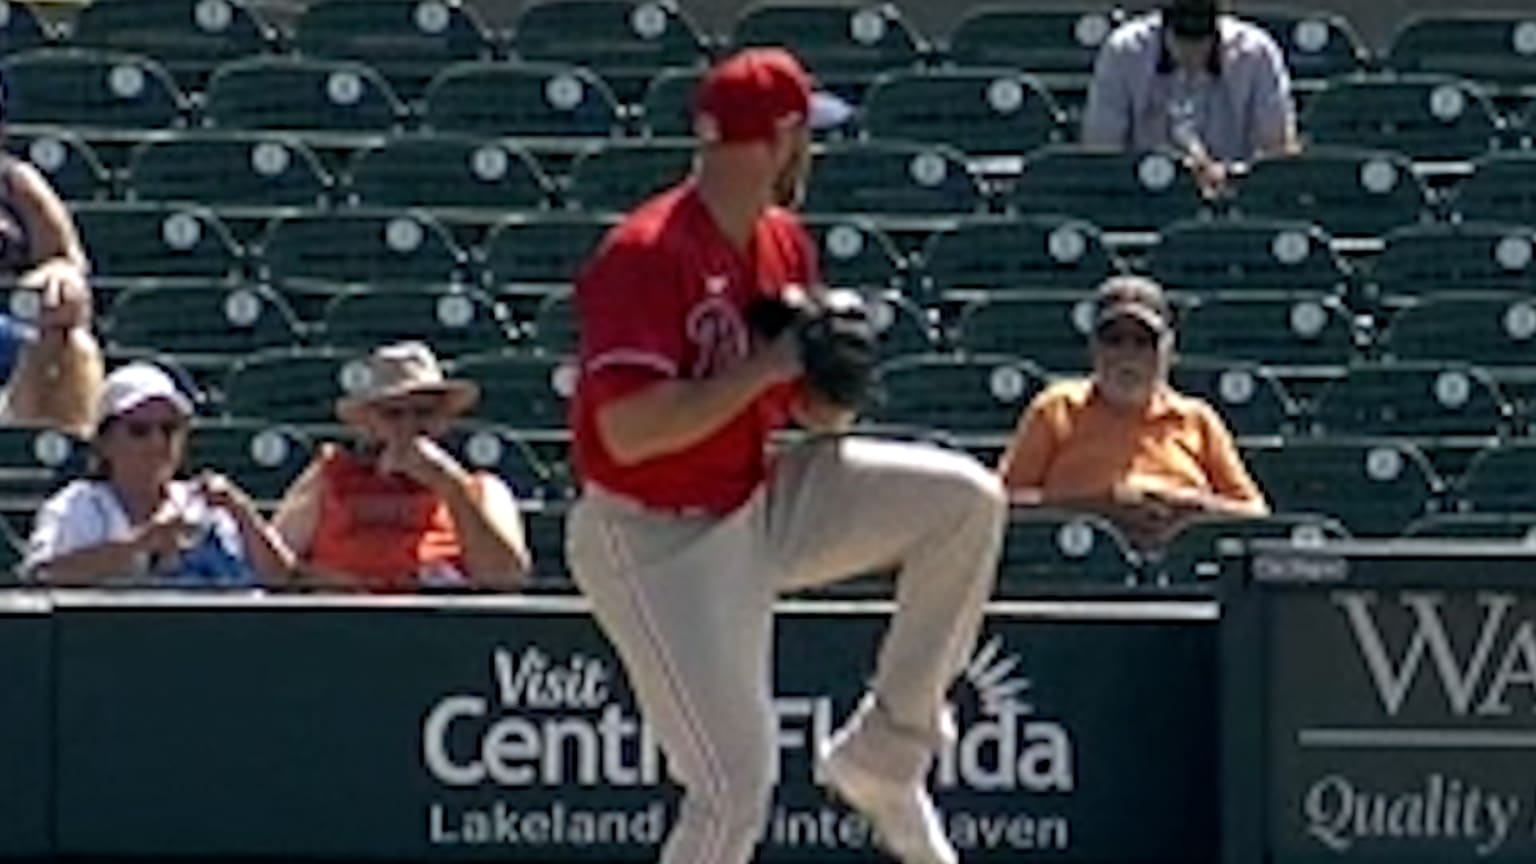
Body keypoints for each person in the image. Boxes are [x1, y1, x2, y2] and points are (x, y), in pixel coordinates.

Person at [567, 48, 1006, 864]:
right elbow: (629, 432)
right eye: (806, 134)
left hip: (751, 495)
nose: (812, 152)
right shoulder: (648, 251)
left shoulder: (781, 241)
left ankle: (886, 752)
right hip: (652, 533)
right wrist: (767, 368)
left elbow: (812, 415)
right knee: (732, 787)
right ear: (779, 139)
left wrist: (831, 386)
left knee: (964, 504)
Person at [997, 276, 1269, 549]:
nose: (1128, 354)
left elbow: (1254, 513)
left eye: (1143, 341)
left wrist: (1188, 509)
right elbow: (1002, 504)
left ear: (1167, 349)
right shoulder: (1057, 408)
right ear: (1093, 347)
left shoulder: (1197, 419)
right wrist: (1098, 510)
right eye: (1114, 340)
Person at [272, 341, 530, 593]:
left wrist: (452, 488)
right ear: (369, 424)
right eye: (393, 414)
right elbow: (273, 569)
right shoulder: (329, 477)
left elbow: (507, 579)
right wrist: (323, 580)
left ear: (444, 420)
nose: (409, 427)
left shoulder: (482, 490)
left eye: (424, 413)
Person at [23, 362, 292, 586]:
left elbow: (283, 582)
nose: (157, 443)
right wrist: (141, 544)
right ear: (105, 442)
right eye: (139, 430)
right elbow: (41, 575)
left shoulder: (207, 506)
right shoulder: (77, 506)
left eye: (169, 429)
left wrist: (243, 514)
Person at [1080, 0, 1298, 196]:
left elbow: (1277, 152)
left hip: (1236, 199)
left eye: (1203, 42)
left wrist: (1228, 174)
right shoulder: (1124, 51)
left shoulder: (1257, 53)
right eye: (1181, 41)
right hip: (1142, 198)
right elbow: (1102, 152)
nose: (1192, 54)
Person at [0, 144, 104, 434]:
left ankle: (49, 446)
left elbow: (66, 260)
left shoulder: (14, 182)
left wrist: (56, 279)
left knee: (74, 344)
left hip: (15, 331)